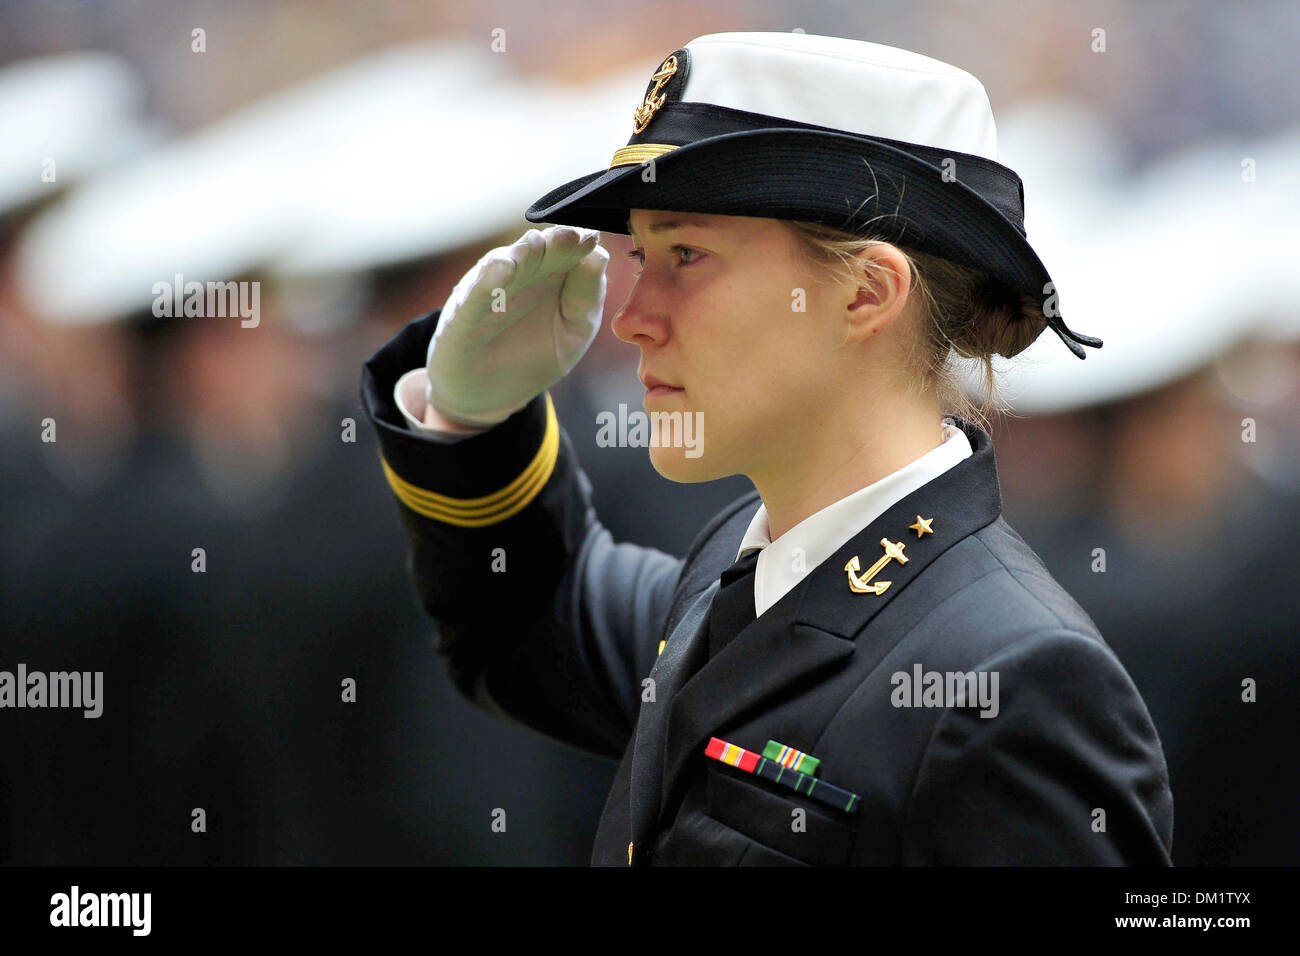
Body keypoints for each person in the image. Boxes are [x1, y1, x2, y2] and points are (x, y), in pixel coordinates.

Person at [361, 31, 1173, 865]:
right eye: (641, 254)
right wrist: (468, 419)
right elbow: (526, 627)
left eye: (686, 255)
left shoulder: (1013, 684)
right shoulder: (740, 569)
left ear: (867, 292)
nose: (632, 315)